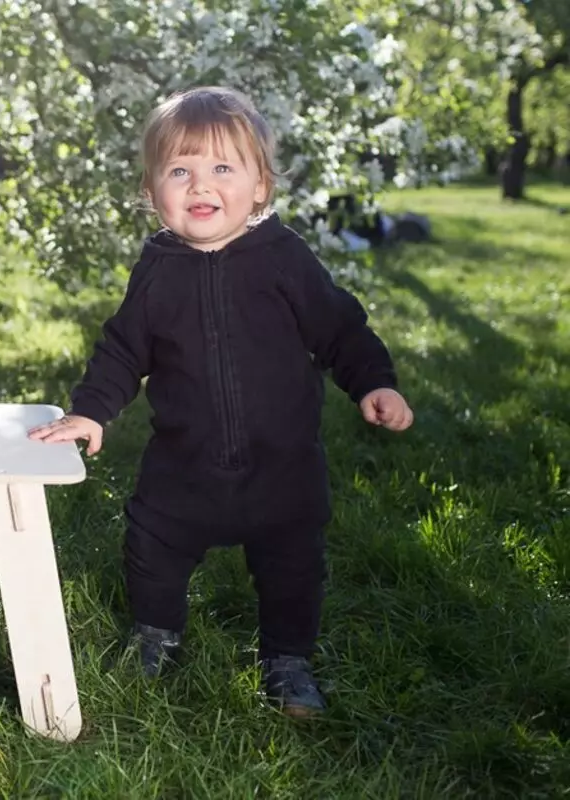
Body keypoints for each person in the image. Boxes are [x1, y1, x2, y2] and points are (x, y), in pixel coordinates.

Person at [27, 86, 413, 716]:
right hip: (184, 464)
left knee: (293, 566)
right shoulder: (158, 270)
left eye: (222, 169)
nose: (200, 185)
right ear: (153, 192)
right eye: (180, 170)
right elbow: (124, 348)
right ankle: (156, 634)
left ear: (260, 186)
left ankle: (287, 661)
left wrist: (375, 380)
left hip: (281, 463)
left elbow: (338, 328)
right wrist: (92, 410)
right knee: (150, 546)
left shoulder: (283, 259)